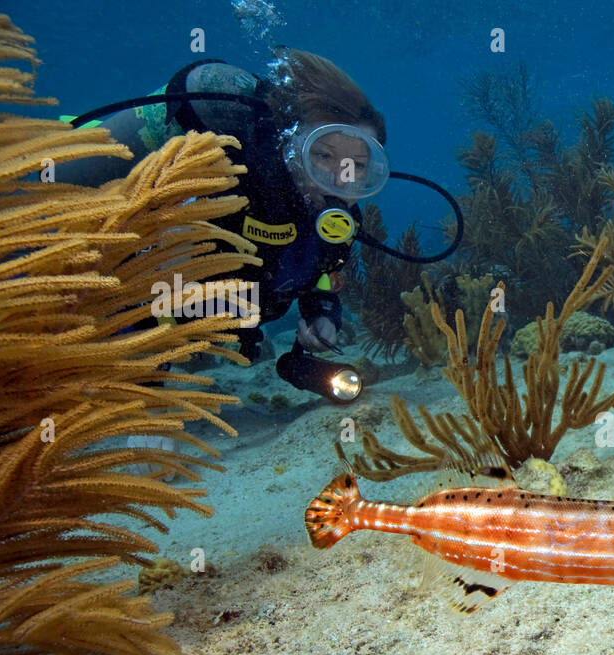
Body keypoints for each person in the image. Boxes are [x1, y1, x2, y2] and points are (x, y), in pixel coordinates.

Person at [61, 50, 392, 402]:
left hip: (209, 328)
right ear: (292, 146)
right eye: (323, 156)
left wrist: (323, 317)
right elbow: (127, 262)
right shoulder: (229, 177)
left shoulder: (335, 226)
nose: (337, 180)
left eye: (356, 165)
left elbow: (322, 279)